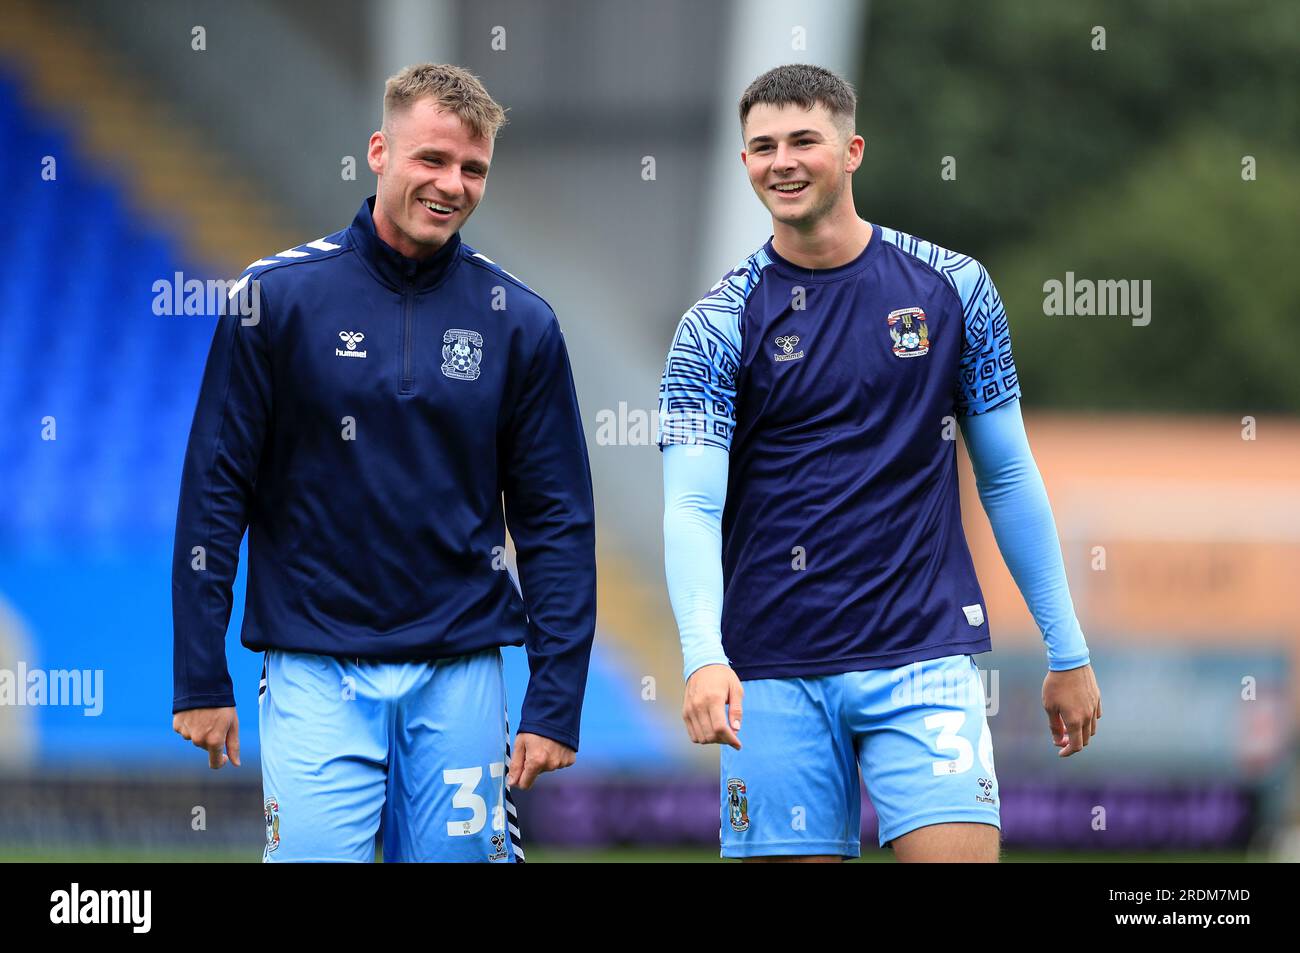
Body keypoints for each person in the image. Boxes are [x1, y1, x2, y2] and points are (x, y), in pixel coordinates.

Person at [658, 64, 1101, 862]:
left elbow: (1004, 475)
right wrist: (703, 657)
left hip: (922, 657)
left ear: (853, 150)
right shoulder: (716, 325)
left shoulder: (954, 290)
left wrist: (1066, 649)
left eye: (804, 140)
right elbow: (690, 506)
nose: (782, 161)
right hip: (770, 669)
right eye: (762, 146)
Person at [171, 63, 596, 863]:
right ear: (379, 151)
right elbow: (213, 496)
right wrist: (200, 676)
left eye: (473, 169)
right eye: (431, 159)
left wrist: (556, 696)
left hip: (461, 672)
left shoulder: (522, 323)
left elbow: (558, 522)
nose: (452, 184)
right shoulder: (277, 300)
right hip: (314, 665)